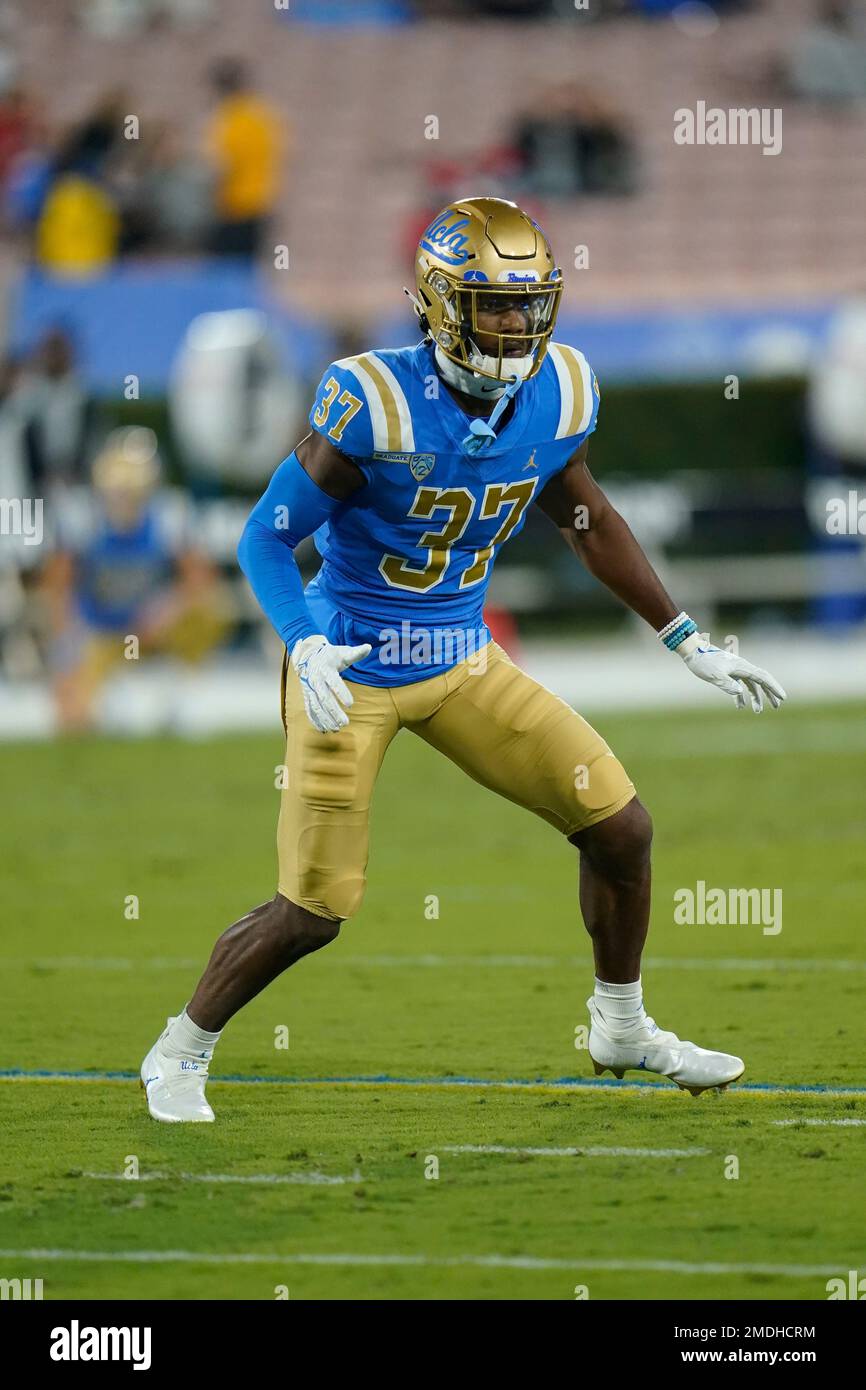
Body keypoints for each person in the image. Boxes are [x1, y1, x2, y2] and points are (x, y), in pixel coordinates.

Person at [141, 196, 786, 1123]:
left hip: (460, 661)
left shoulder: (561, 389)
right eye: (496, 304)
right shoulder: (377, 398)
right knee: (314, 911)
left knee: (621, 829)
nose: (519, 323)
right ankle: (179, 1049)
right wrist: (305, 640)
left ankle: (622, 1026)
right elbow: (265, 537)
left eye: (531, 303)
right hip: (351, 667)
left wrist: (682, 635)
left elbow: (586, 516)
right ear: (443, 305)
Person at [205, 59, 280, 259]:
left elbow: (225, 167)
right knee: (249, 268)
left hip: (234, 208)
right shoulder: (263, 117)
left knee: (227, 269)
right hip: (261, 203)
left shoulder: (230, 121)